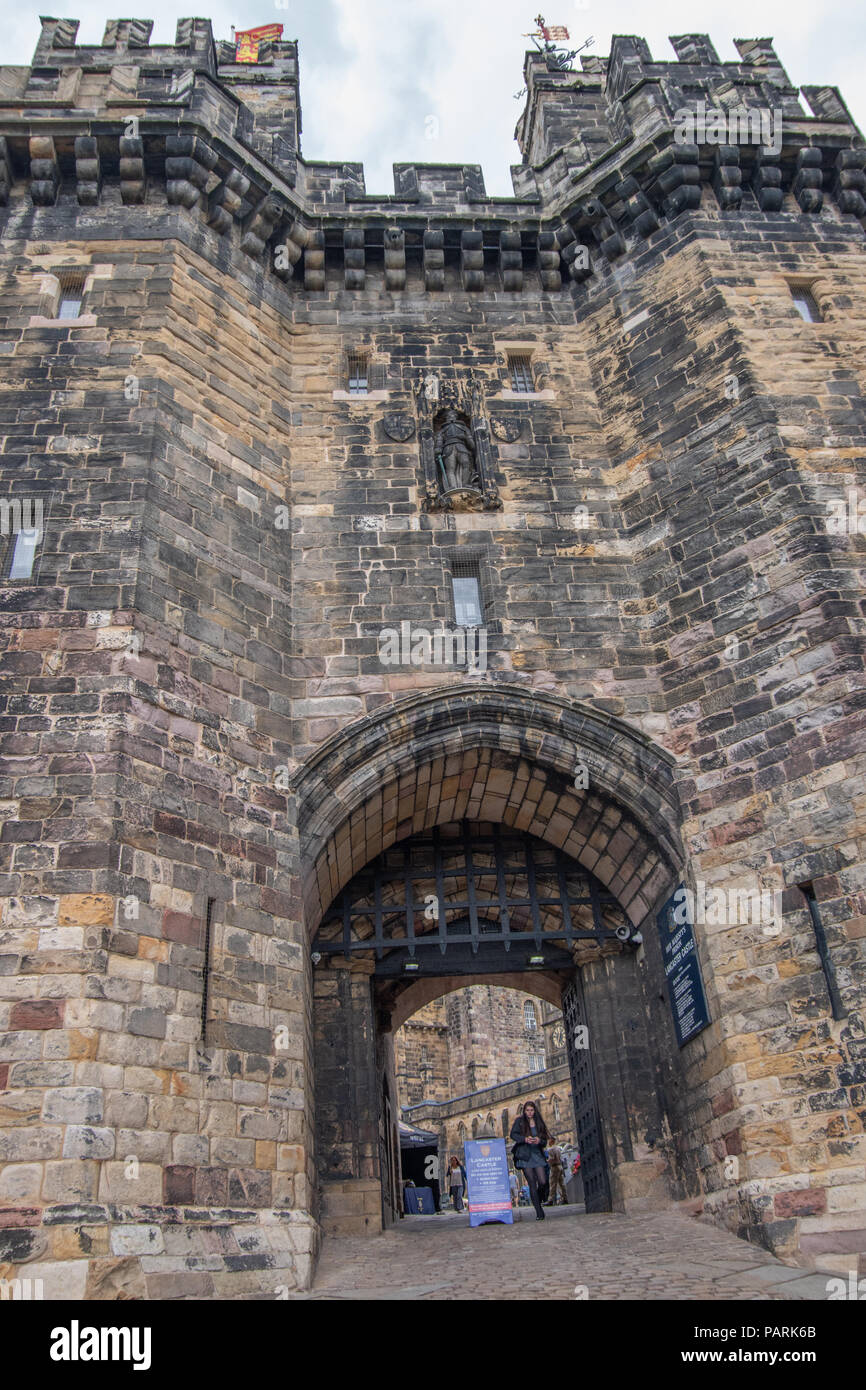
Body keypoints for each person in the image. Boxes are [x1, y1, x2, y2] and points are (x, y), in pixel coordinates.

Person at [510, 1099, 551, 1221]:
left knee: (543, 1181)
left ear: (535, 1110)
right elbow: (513, 1135)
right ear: (524, 1111)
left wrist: (539, 1140)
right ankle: (539, 1212)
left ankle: (538, 1197)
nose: (529, 1112)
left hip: (537, 1154)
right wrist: (525, 1139)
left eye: (532, 1110)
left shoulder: (539, 1122)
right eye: (527, 1110)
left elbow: (545, 1139)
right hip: (525, 1155)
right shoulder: (519, 1121)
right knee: (532, 1183)